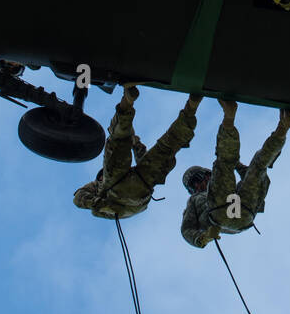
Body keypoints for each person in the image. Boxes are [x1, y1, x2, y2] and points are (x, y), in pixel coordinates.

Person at [73, 85, 201, 220]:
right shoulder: (99, 186)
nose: (101, 178)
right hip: (119, 193)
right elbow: (78, 198)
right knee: (119, 142)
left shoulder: (125, 177)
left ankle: (192, 106)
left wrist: (135, 144)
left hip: (139, 191)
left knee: (165, 149)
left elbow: (145, 160)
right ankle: (127, 103)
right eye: (100, 177)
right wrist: (100, 204)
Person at [180, 100, 290, 248]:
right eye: (192, 186)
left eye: (198, 178)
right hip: (222, 216)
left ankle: (282, 128)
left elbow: (251, 176)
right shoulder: (195, 201)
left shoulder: (223, 189)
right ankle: (229, 118)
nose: (197, 185)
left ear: (207, 175)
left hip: (242, 211)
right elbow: (186, 229)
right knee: (224, 163)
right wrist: (202, 238)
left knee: (258, 166)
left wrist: (238, 165)